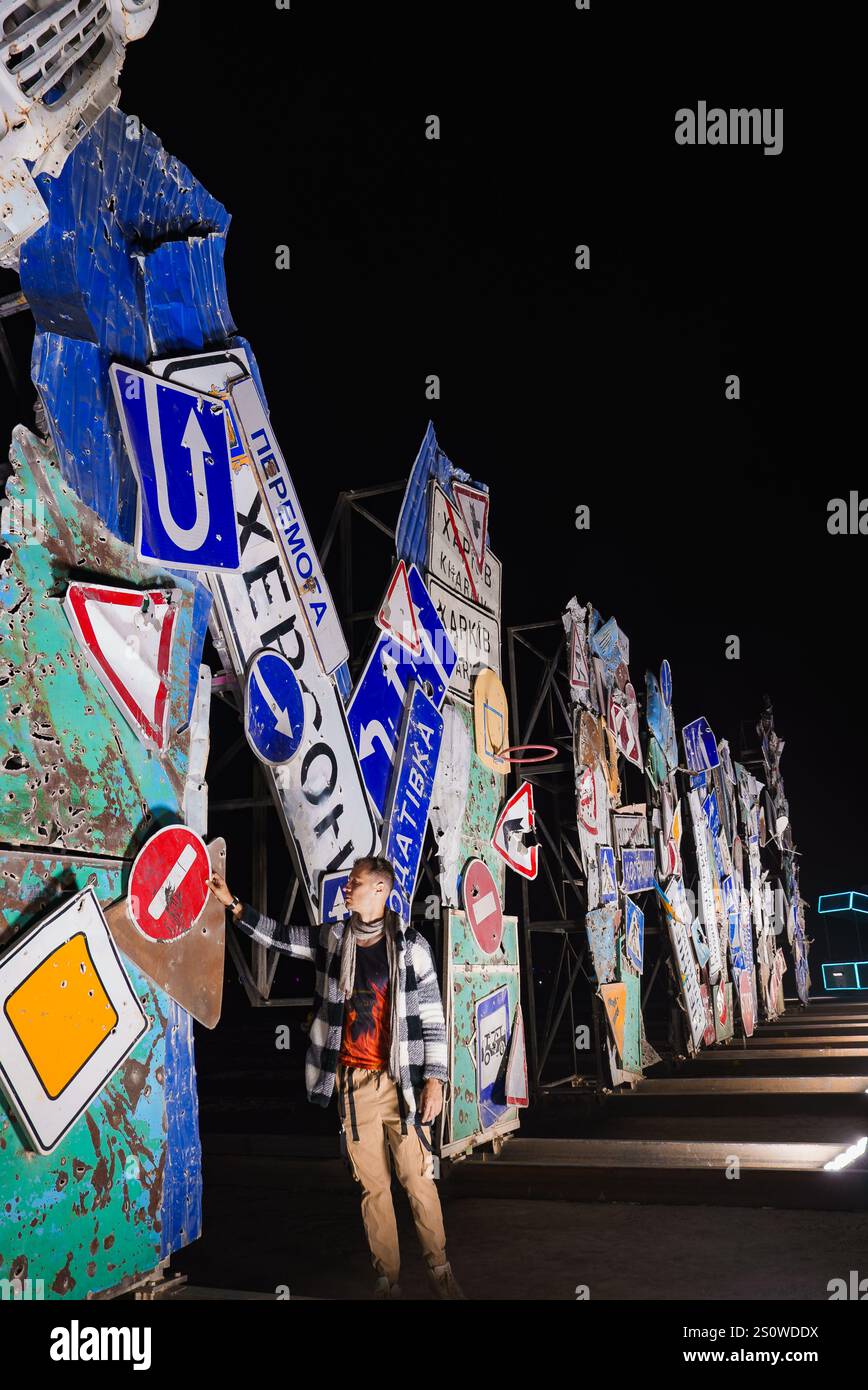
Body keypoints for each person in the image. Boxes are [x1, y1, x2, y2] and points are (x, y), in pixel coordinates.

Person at [208, 855, 465, 1300]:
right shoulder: (333, 939)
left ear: (381, 891)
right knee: (373, 1190)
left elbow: (433, 1016)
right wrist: (235, 906)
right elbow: (282, 939)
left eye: (356, 883)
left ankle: (440, 1271)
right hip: (353, 1085)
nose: (347, 889)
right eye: (348, 882)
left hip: (401, 1083)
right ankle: (388, 1282)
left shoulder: (411, 946)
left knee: (418, 1180)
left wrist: (436, 1081)